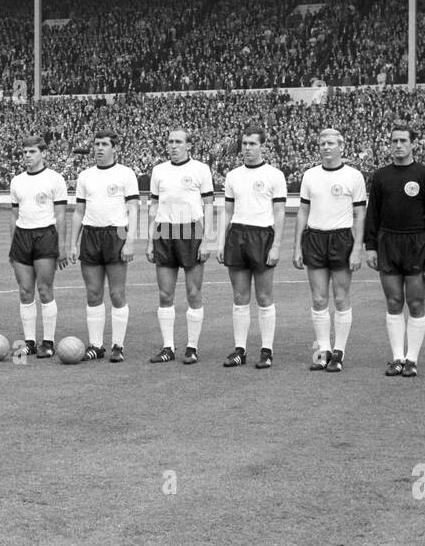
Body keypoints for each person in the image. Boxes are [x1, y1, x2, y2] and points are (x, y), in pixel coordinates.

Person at [364, 124, 425, 377]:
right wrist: (371, 246)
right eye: (394, 140)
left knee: (416, 301)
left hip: (416, 243)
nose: (398, 145)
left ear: (413, 144)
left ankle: (412, 359)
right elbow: (372, 214)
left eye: (403, 140)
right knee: (394, 300)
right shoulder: (380, 176)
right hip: (388, 242)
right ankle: (397, 357)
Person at [293, 128, 366, 372]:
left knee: (341, 297)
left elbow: (359, 214)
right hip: (314, 238)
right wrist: (297, 246)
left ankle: (339, 352)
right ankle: (322, 351)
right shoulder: (310, 175)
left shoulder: (354, 176)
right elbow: (303, 210)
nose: (326, 147)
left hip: (342, 239)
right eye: (322, 143)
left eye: (331, 143)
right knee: (318, 297)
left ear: (341, 147)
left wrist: (357, 248)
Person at [218, 123, 288, 368]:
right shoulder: (233, 175)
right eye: (244, 144)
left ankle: (266, 350)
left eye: (252, 144)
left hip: (262, 236)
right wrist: (220, 241)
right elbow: (227, 211)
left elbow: (279, 212)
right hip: (237, 235)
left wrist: (276, 245)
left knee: (264, 296)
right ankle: (240, 350)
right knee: (239, 296)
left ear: (262, 146)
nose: (247, 148)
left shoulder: (274, 175)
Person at [146, 128, 215, 364]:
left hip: (191, 231)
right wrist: (149, 240)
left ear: (189, 146)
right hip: (164, 232)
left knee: (193, 292)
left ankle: (192, 347)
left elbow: (208, 205)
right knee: (165, 294)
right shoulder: (159, 171)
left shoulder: (200, 169)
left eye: (178, 142)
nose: (173, 146)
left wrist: (207, 239)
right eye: (170, 142)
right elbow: (153, 207)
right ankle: (168, 347)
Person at [71, 130, 140, 361]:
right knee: (93, 293)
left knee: (117, 293)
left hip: (116, 234)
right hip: (91, 235)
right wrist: (73, 243)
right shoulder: (85, 176)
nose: (99, 148)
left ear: (115, 148)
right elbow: (79, 211)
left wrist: (129, 241)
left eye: (104, 144)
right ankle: (96, 345)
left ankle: (118, 346)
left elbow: (133, 208)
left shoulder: (126, 174)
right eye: (97, 144)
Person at [9, 136, 70, 357]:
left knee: (45, 290)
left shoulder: (55, 179)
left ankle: (48, 342)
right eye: (24, 152)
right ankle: (29, 342)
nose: (27, 155)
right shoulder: (17, 181)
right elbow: (14, 215)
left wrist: (61, 247)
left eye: (32, 151)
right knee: (25, 292)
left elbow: (61, 216)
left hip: (46, 235)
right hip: (22, 238)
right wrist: (12, 245)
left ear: (43, 153)